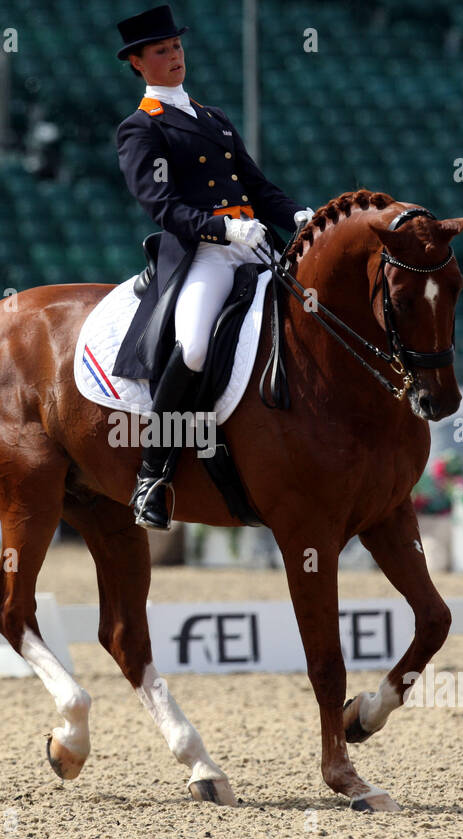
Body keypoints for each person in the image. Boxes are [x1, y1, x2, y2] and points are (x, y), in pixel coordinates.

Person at [113, 4, 313, 531]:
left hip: (256, 242)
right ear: (138, 63)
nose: (174, 56)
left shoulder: (214, 117)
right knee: (195, 347)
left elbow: (257, 185)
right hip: (204, 253)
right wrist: (223, 229)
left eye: (176, 46)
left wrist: (299, 216)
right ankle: (151, 476)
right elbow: (160, 205)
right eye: (161, 51)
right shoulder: (141, 128)